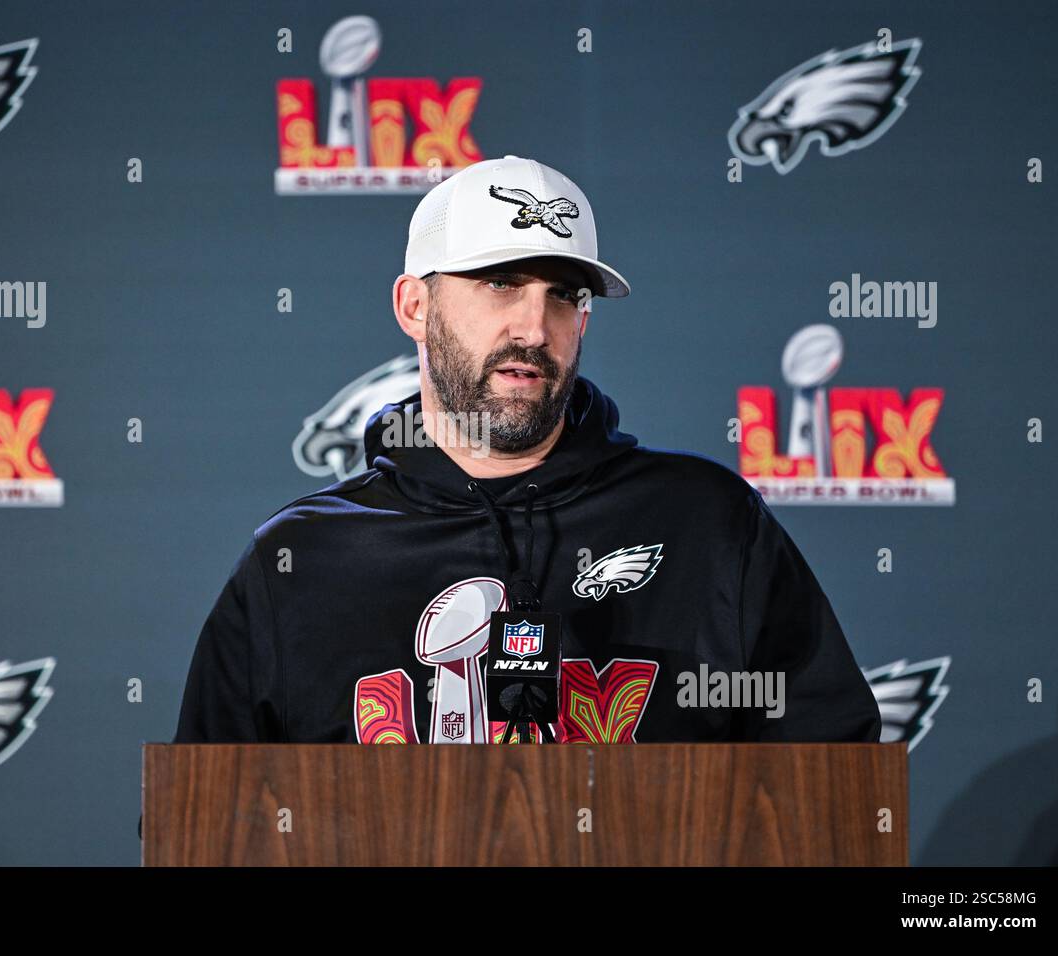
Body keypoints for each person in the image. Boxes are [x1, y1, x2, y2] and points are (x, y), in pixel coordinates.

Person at [173, 155, 881, 746]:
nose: (534, 328)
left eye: (562, 295)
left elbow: (829, 781)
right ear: (415, 306)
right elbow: (207, 823)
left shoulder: (705, 521)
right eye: (500, 283)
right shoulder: (302, 559)